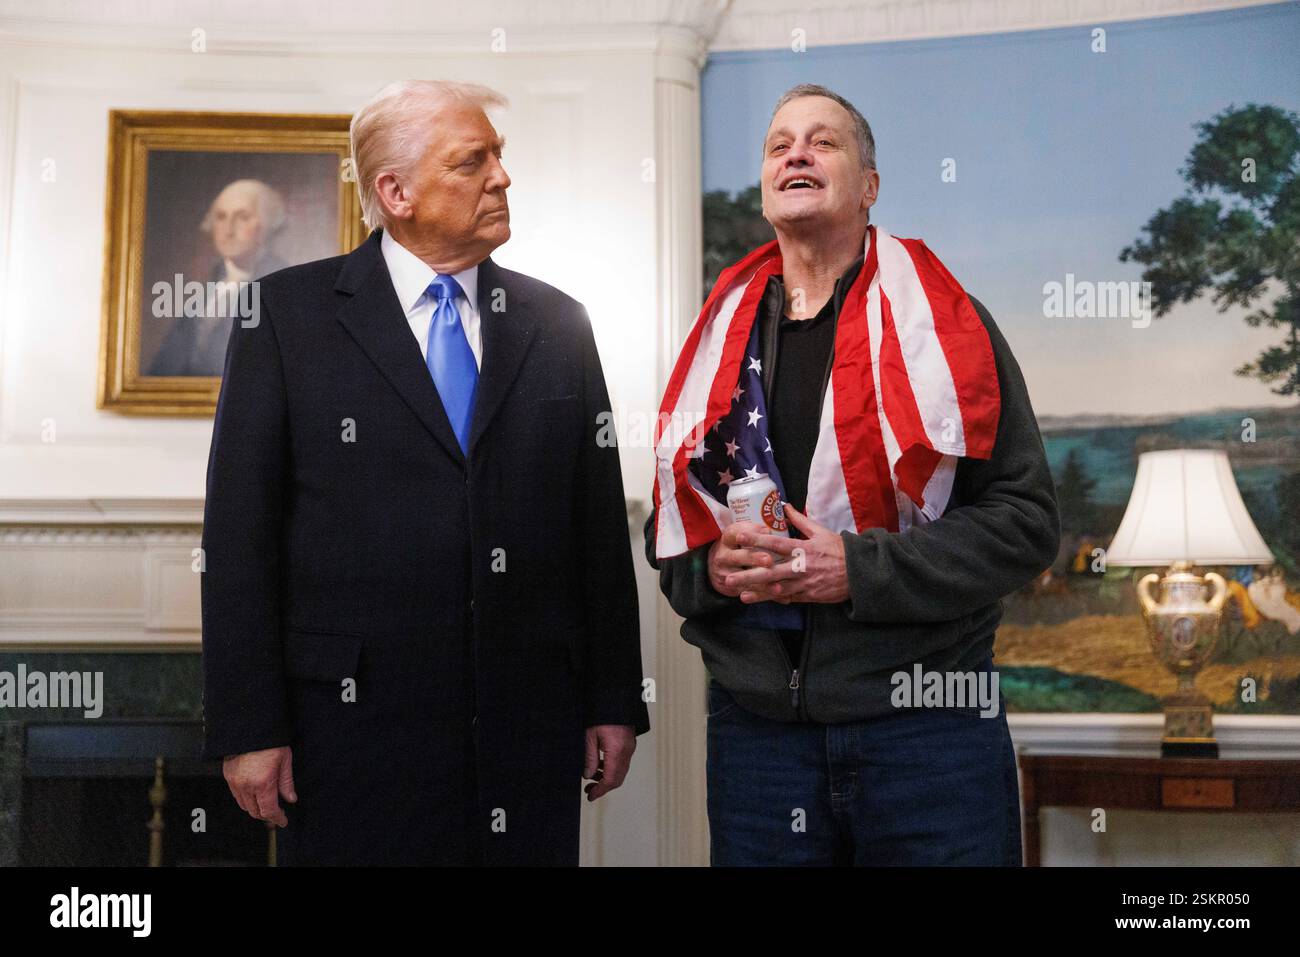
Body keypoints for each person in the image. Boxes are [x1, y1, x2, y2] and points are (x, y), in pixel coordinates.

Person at [201, 79, 648, 866]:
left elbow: (596, 529)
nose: (501, 177)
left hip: (528, 733)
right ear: (395, 192)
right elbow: (240, 541)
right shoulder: (281, 317)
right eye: (472, 161)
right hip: (348, 738)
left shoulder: (560, 322)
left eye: (498, 157)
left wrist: (615, 697)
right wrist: (250, 725)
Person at [646, 83, 1060, 865]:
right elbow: (667, 535)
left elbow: (1026, 523)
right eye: (779, 145)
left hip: (927, 733)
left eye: (823, 141)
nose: (796, 152)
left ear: (869, 186)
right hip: (758, 745)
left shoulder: (947, 328)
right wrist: (713, 566)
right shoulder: (717, 345)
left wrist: (858, 569)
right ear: (767, 186)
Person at [149, 179, 287, 377]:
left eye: (242, 217)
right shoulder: (205, 292)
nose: (228, 230)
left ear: (266, 224)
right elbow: (167, 365)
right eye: (221, 217)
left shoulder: (282, 286)